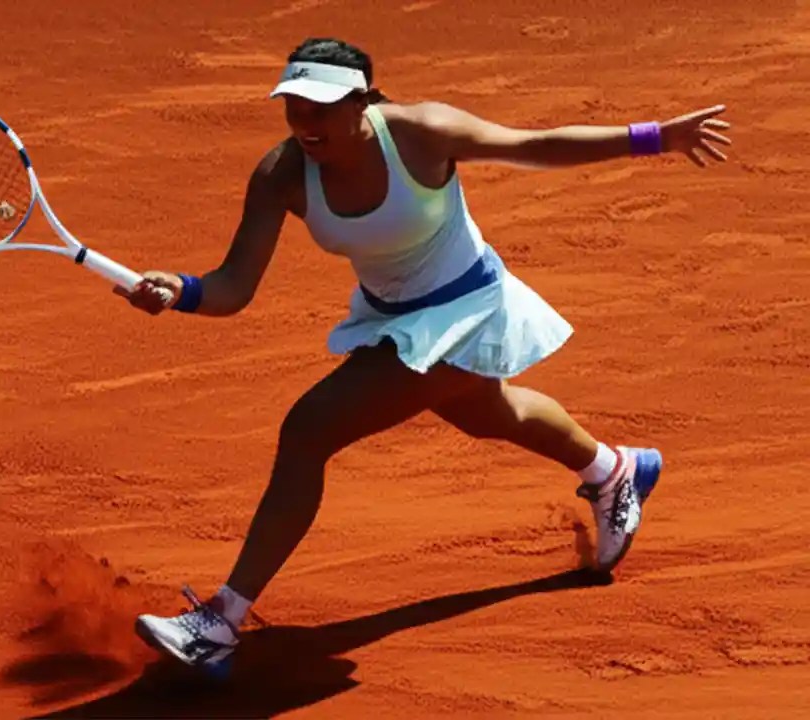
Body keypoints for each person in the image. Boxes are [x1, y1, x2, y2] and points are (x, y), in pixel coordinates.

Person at [117, 37, 731, 677]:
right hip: (395, 318)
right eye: (293, 106)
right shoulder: (281, 175)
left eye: (321, 108)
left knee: (307, 431)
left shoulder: (422, 133)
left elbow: (532, 145)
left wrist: (655, 137)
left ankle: (220, 620)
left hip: (466, 313)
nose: (305, 123)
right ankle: (613, 470)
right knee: (485, 413)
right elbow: (233, 286)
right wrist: (182, 291)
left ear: (363, 102)